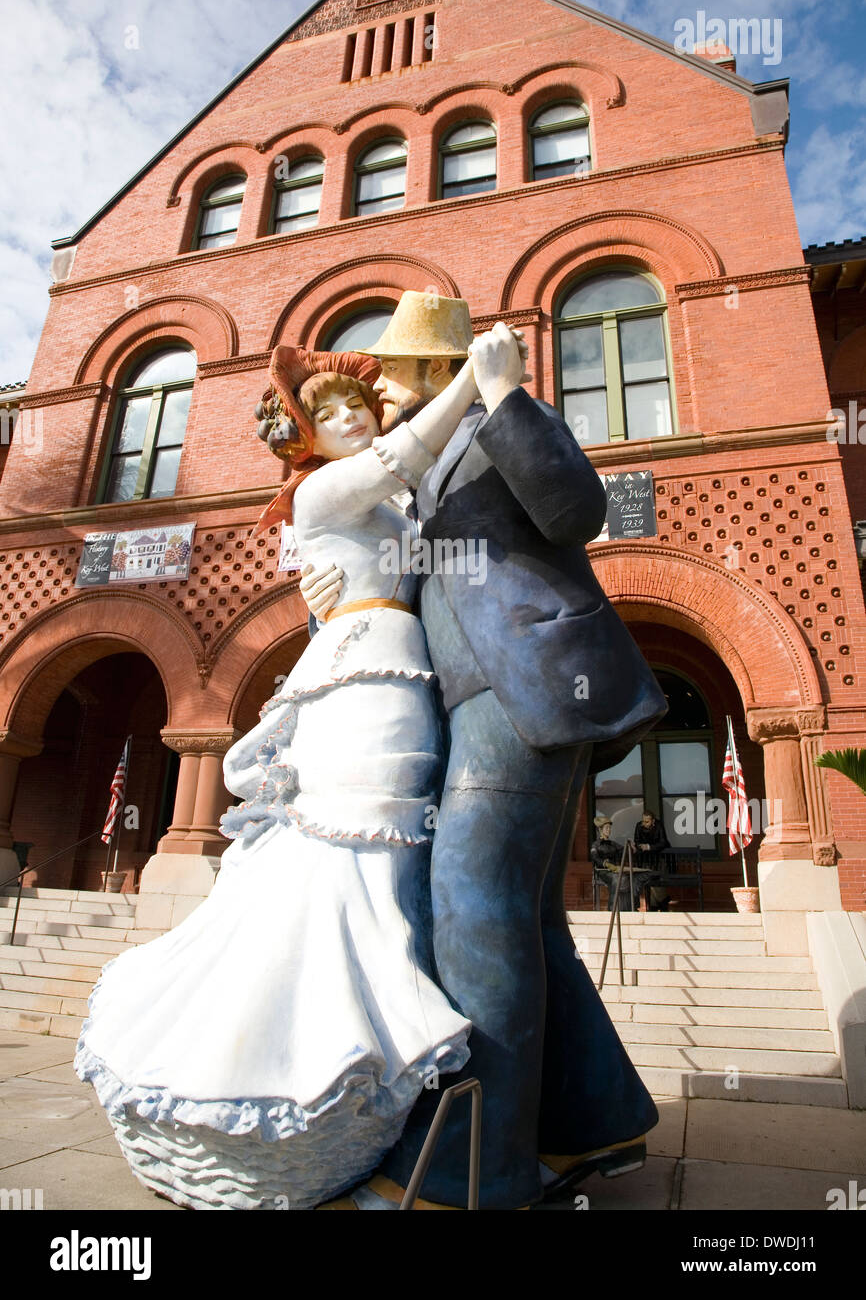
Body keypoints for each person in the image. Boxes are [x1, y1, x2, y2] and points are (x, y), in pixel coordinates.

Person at [73, 343, 492, 1210]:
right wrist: (479, 378)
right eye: (328, 414)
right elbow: (403, 454)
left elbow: (409, 479)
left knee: (376, 859)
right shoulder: (320, 488)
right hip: (361, 686)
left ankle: (346, 1063)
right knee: (348, 853)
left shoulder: (373, 499)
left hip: (389, 668)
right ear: (302, 442)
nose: (351, 420)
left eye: (357, 406)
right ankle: (281, 1074)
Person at [300, 293, 669, 1210]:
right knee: (524, 919)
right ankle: (594, 1121)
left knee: (471, 907)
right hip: (469, 702)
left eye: (389, 369)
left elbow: (576, 510)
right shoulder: (416, 479)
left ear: (436, 367)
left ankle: (474, 1174)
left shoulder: (499, 413)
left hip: (523, 690)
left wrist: (503, 398)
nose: (376, 385)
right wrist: (333, 592)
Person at [634, 809, 671, 911]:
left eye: (647, 821)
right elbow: (636, 840)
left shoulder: (659, 826)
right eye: (643, 821)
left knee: (658, 880)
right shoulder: (639, 826)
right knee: (649, 880)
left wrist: (649, 847)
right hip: (646, 859)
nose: (644, 823)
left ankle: (660, 903)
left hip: (659, 858)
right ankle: (656, 904)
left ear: (653, 821)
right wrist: (639, 846)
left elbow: (663, 842)